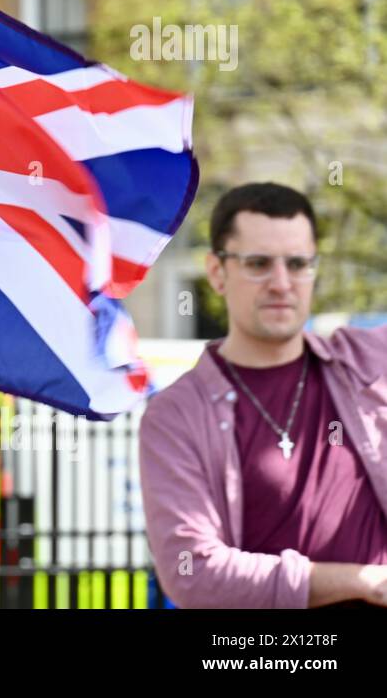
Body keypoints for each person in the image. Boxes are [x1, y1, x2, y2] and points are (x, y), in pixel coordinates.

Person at [139, 183, 387, 608]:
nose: (281, 283)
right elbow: (192, 571)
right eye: (258, 264)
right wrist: (362, 581)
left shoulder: (366, 360)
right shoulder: (176, 415)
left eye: (297, 264)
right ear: (216, 272)